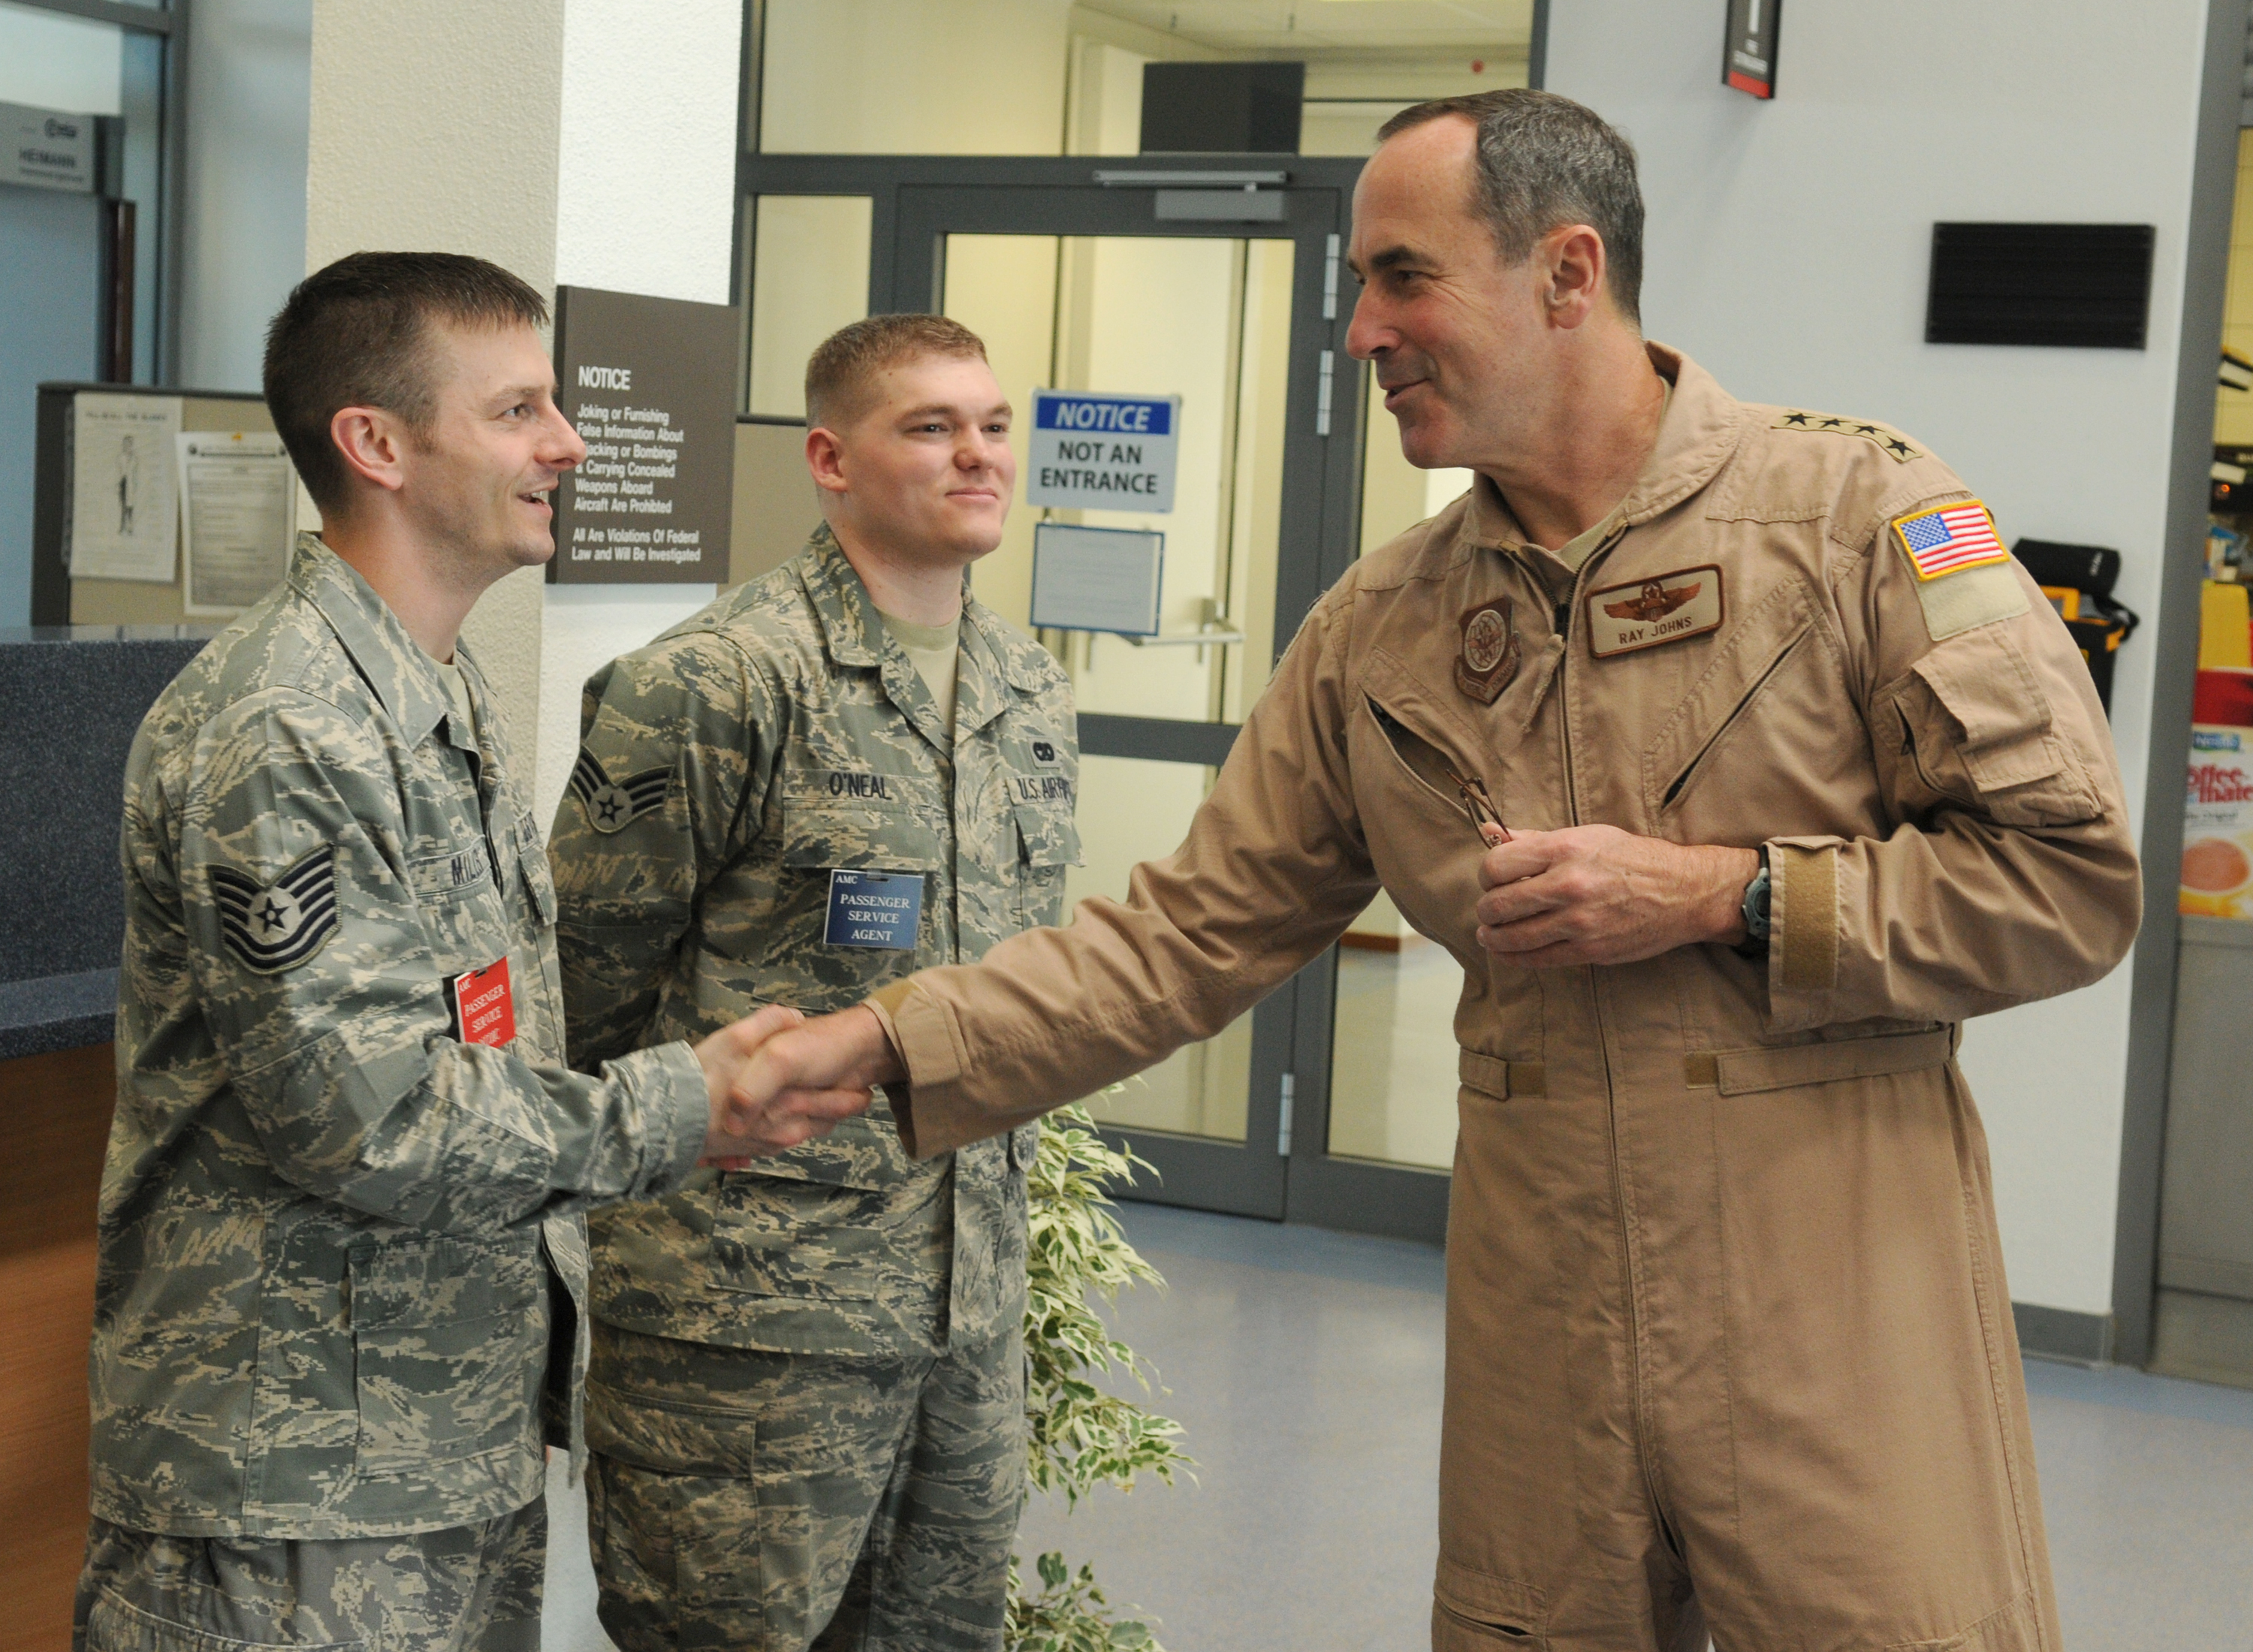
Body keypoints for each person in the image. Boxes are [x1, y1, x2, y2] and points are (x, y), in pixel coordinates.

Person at [722, 90, 2144, 1652]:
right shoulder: (1381, 629)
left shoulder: (1856, 519)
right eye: (1356, 285)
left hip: (1840, 1312)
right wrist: (878, 1042)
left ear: (1567, 272)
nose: (1359, 331)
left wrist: (1723, 891)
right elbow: (1185, 935)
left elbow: (2065, 883)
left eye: (1402, 276)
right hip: (1545, 1332)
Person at [78, 252, 863, 1652]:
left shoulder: (430, 690)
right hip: (294, 1490)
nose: (565, 443)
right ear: (375, 444)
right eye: (517, 411)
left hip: (442, 1447)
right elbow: (372, 1120)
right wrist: (690, 1101)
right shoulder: (286, 728)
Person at [546, 313, 1078, 1651]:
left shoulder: (1028, 688)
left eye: (995, 424)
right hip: (748, 1332)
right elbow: (579, 1002)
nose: (978, 455)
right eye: (932, 427)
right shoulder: (714, 684)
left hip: (967, 1317)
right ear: (831, 460)